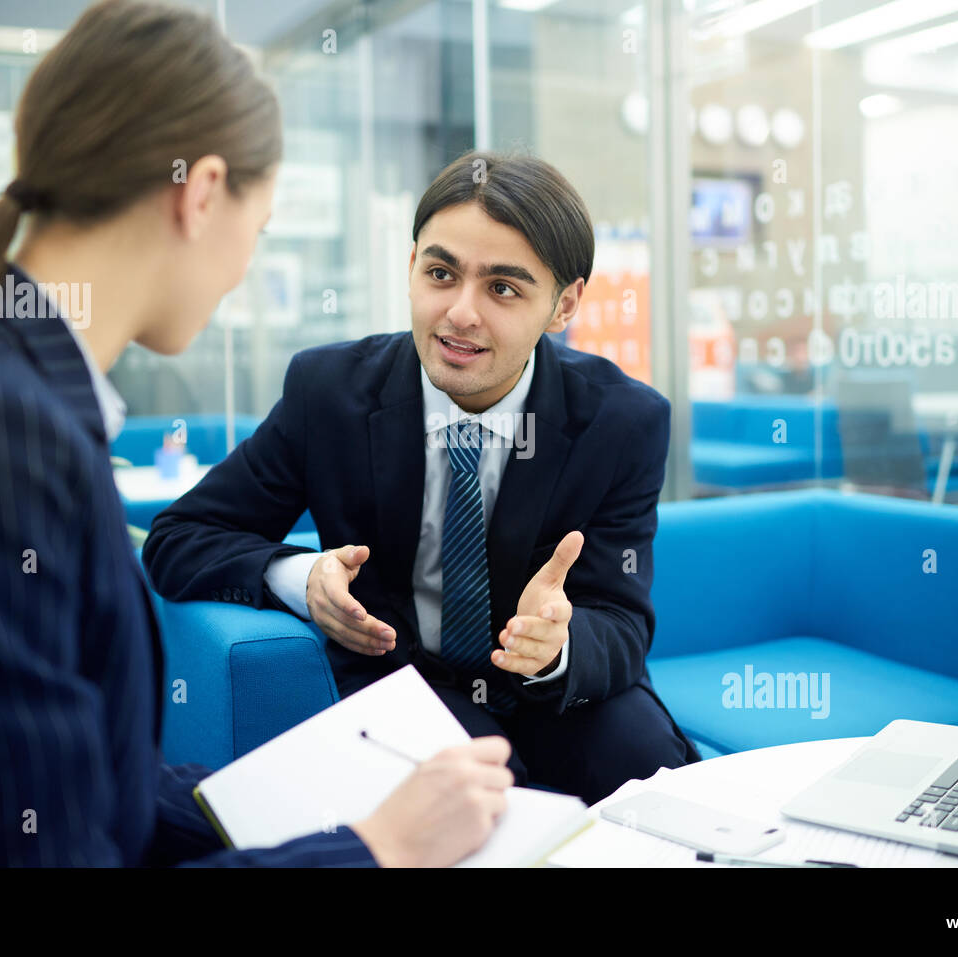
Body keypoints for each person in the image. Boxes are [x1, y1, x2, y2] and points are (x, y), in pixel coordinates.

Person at [0, 0, 513, 868]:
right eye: (257, 231)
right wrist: (376, 851)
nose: (245, 269)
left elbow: (71, 787)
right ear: (201, 194)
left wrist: (306, 818)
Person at [143, 151, 699, 806]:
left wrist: (557, 644)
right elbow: (180, 535)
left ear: (563, 303)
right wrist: (304, 579)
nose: (460, 313)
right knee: (482, 805)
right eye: (441, 273)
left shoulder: (621, 421)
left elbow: (622, 622)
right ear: (411, 268)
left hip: (549, 688)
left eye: (502, 288)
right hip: (404, 681)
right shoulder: (329, 393)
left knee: (655, 778)